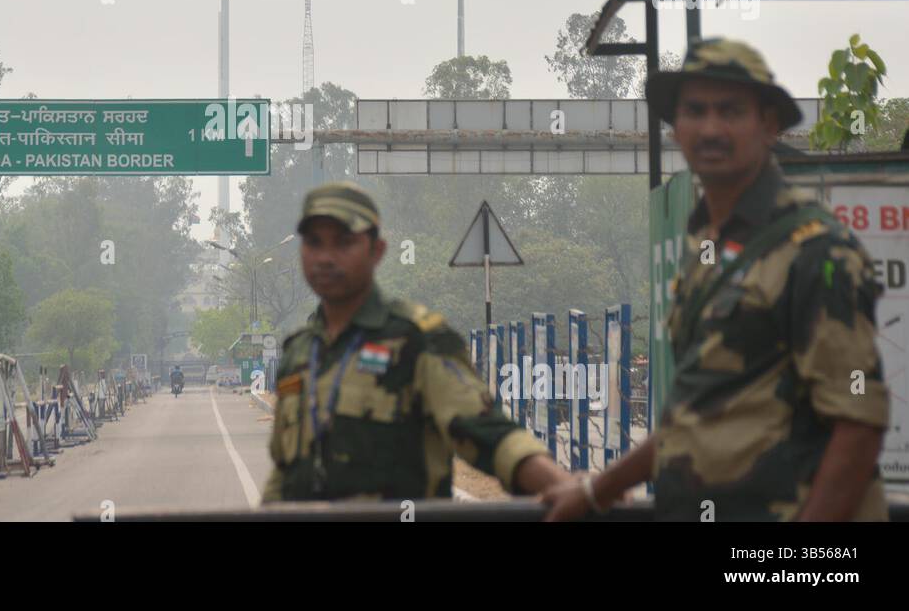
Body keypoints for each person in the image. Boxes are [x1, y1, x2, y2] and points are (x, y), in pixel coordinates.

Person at [543, 38, 889, 522]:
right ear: (676, 126)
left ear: (768, 124)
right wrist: (596, 490)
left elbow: (857, 424)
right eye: (695, 111)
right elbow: (694, 417)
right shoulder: (708, 249)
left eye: (730, 111)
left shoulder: (816, 251)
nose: (710, 128)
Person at [262, 181, 571, 502]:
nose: (325, 257)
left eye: (343, 242)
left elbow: (489, 434)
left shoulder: (418, 340)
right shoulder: (299, 352)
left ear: (376, 250)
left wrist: (564, 486)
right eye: (314, 242)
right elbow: (285, 470)